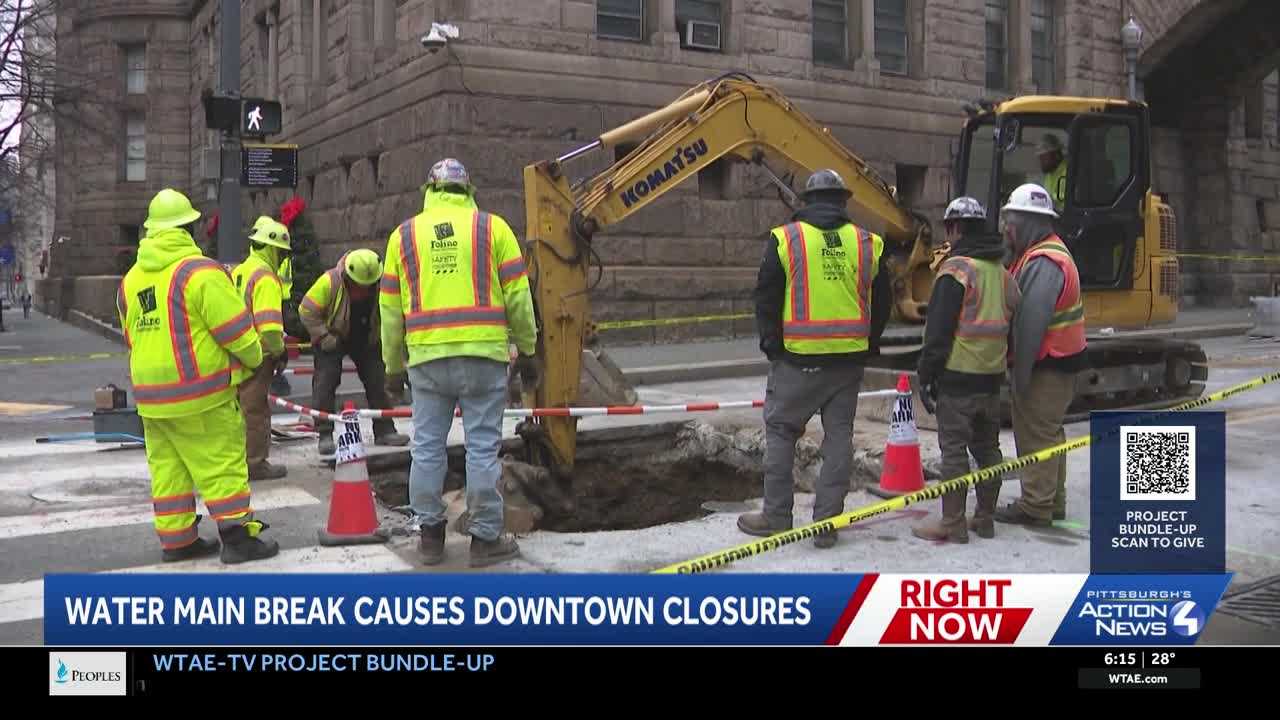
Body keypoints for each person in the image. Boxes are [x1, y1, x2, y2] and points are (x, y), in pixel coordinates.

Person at [381, 158, 539, 567]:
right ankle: (485, 540)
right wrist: (529, 348)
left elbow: (390, 310)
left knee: (427, 448)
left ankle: (431, 536)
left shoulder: (404, 235)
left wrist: (392, 366)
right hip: (483, 357)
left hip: (427, 359)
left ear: (429, 191)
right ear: (467, 189)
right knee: (482, 449)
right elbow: (520, 298)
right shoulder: (493, 228)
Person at [115, 188, 280, 564]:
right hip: (201, 394)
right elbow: (237, 331)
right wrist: (255, 358)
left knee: (168, 471)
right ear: (189, 227)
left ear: (152, 232)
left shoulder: (130, 282)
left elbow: (131, 337)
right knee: (221, 463)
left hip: (152, 401)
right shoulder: (200, 273)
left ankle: (178, 541)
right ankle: (237, 538)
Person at [737, 169, 891, 549]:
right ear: (843, 202)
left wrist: (773, 347)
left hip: (798, 359)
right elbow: (884, 300)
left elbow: (766, 296)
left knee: (781, 432)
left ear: (807, 201)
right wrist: (868, 344)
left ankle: (776, 516)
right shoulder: (867, 242)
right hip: (848, 362)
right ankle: (826, 524)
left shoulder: (787, 239)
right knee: (839, 437)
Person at [911, 197, 1021, 544]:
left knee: (954, 452)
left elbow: (938, 332)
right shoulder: (1002, 274)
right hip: (991, 380)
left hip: (957, 379)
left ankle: (953, 523)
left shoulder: (956, 270)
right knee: (988, 449)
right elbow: (1015, 319)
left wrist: (926, 376)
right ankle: (984, 518)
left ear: (955, 228)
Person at [995, 183, 1089, 527]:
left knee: (1035, 434)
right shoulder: (1048, 253)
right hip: (1060, 361)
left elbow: (1030, 327)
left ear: (1030, 224)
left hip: (1046, 364)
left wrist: (1019, 378)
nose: (1006, 229)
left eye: (1011, 223)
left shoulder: (1043, 261)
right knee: (1050, 434)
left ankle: (1035, 506)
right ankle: (1053, 501)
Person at [300, 248, 410, 456]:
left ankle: (385, 430)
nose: (365, 292)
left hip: (366, 337)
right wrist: (324, 337)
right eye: (360, 288)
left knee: (378, 380)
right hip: (333, 336)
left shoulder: (382, 283)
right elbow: (307, 310)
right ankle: (324, 434)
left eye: (369, 287)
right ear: (347, 278)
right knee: (326, 381)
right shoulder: (329, 282)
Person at [231, 216, 293, 481]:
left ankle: (236, 461)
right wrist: (279, 351)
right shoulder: (266, 278)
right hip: (258, 354)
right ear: (273, 248)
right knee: (255, 410)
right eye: (281, 252)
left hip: (235, 350)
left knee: (236, 411)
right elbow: (269, 328)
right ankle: (255, 463)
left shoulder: (240, 272)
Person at [1037, 134, 1068, 212]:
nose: (1041, 162)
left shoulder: (1068, 172)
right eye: (1040, 158)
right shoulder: (1050, 174)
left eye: (1044, 158)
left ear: (1056, 155)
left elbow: (1062, 204)